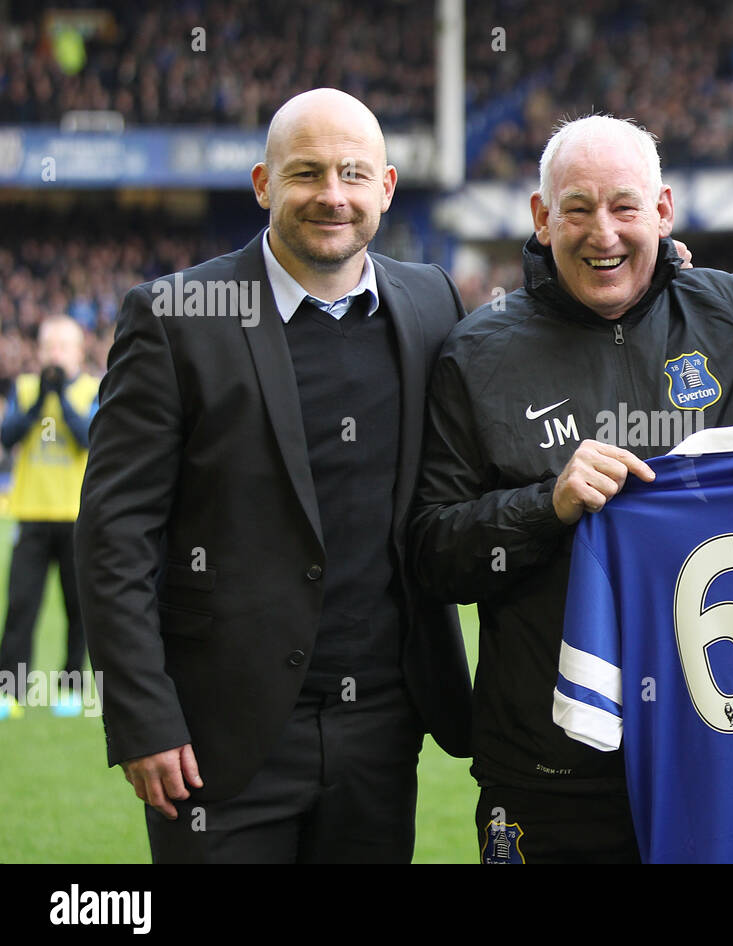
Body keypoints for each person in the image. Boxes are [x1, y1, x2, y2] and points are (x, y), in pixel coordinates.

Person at [409, 115, 733, 863]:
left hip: (725, 755)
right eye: (577, 208)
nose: (603, 232)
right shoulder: (475, 354)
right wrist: (548, 505)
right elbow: (433, 556)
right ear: (541, 217)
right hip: (549, 773)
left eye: (625, 208)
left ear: (663, 212)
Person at [75, 88, 472, 863]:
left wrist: (659, 268)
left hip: (382, 729)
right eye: (307, 174)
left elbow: (529, 349)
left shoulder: (432, 303)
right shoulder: (177, 316)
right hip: (216, 739)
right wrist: (144, 719)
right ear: (263, 184)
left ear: (386, 189)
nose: (332, 195)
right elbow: (115, 535)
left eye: (354, 174)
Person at [0, 316, 99, 719]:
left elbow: (87, 438)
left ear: (78, 351)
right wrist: (41, 400)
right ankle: (10, 690)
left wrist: (61, 397)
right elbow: (8, 436)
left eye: (63, 346)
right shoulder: (24, 389)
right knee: (21, 606)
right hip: (32, 515)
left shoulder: (94, 389)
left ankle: (71, 687)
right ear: (39, 352)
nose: (54, 353)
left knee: (78, 608)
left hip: (77, 517)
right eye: (49, 346)